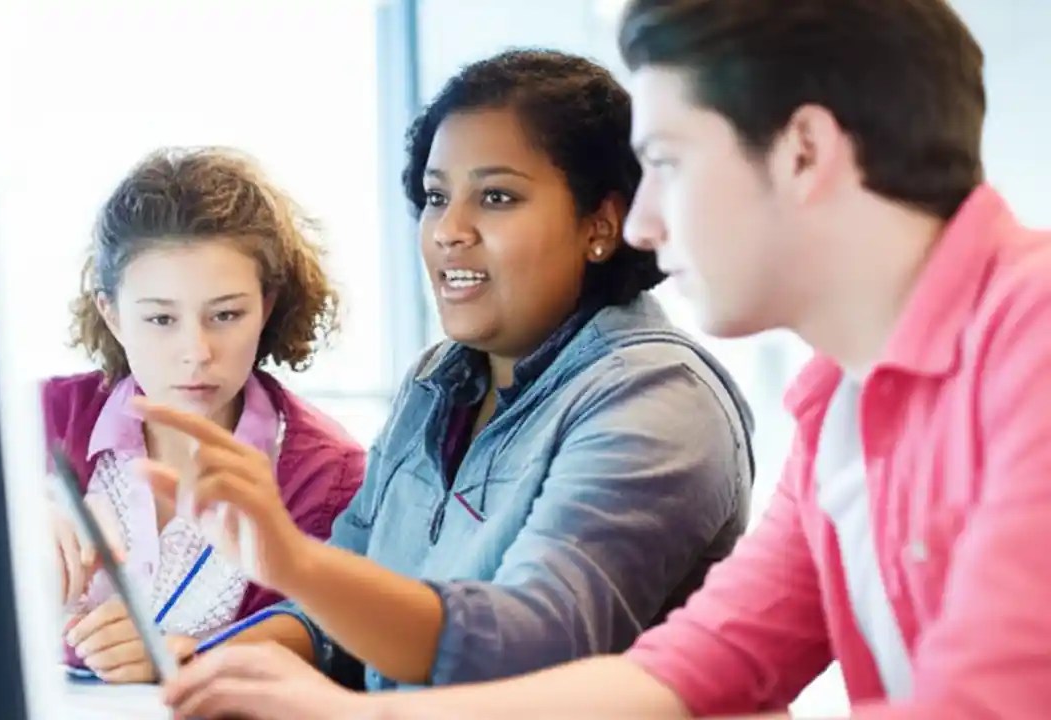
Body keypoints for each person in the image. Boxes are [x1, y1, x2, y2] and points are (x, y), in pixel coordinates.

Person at [150, 0, 1051, 718]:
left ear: (804, 152)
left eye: (666, 161)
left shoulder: (1034, 338)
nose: (648, 223)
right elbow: (691, 670)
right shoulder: (840, 406)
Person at [137, 47, 755, 704]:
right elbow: (345, 601)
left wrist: (295, 561)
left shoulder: (658, 397)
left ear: (600, 224)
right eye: (435, 197)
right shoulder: (438, 381)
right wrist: (209, 662)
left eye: (497, 196)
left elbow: (534, 644)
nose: (449, 231)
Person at [40, 147, 365, 683]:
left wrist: (187, 657)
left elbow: (329, 641)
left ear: (267, 305)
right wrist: (3, 524)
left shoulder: (329, 476)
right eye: (161, 318)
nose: (196, 350)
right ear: (113, 315)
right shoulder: (36, 423)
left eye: (226, 314)